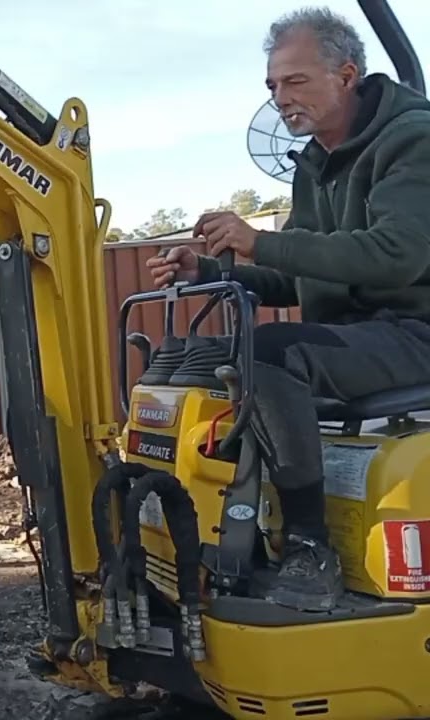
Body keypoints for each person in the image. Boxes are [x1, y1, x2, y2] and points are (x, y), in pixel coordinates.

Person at [146, 7, 430, 612]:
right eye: (273, 85)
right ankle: (214, 534)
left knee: (270, 352)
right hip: (357, 337)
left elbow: (396, 256)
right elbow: (294, 274)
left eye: (295, 81)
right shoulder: (315, 164)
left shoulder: (415, 140)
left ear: (347, 74)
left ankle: (310, 550)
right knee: (199, 360)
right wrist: (216, 271)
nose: (280, 97)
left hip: (416, 331)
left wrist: (260, 239)